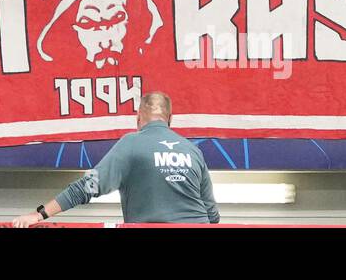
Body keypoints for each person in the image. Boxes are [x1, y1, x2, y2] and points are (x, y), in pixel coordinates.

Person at [12, 91, 218, 226]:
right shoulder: (193, 151)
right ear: (170, 119)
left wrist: (39, 214)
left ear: (138, 119)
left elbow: (88, 186)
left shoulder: (131, 143)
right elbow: (212, 213)